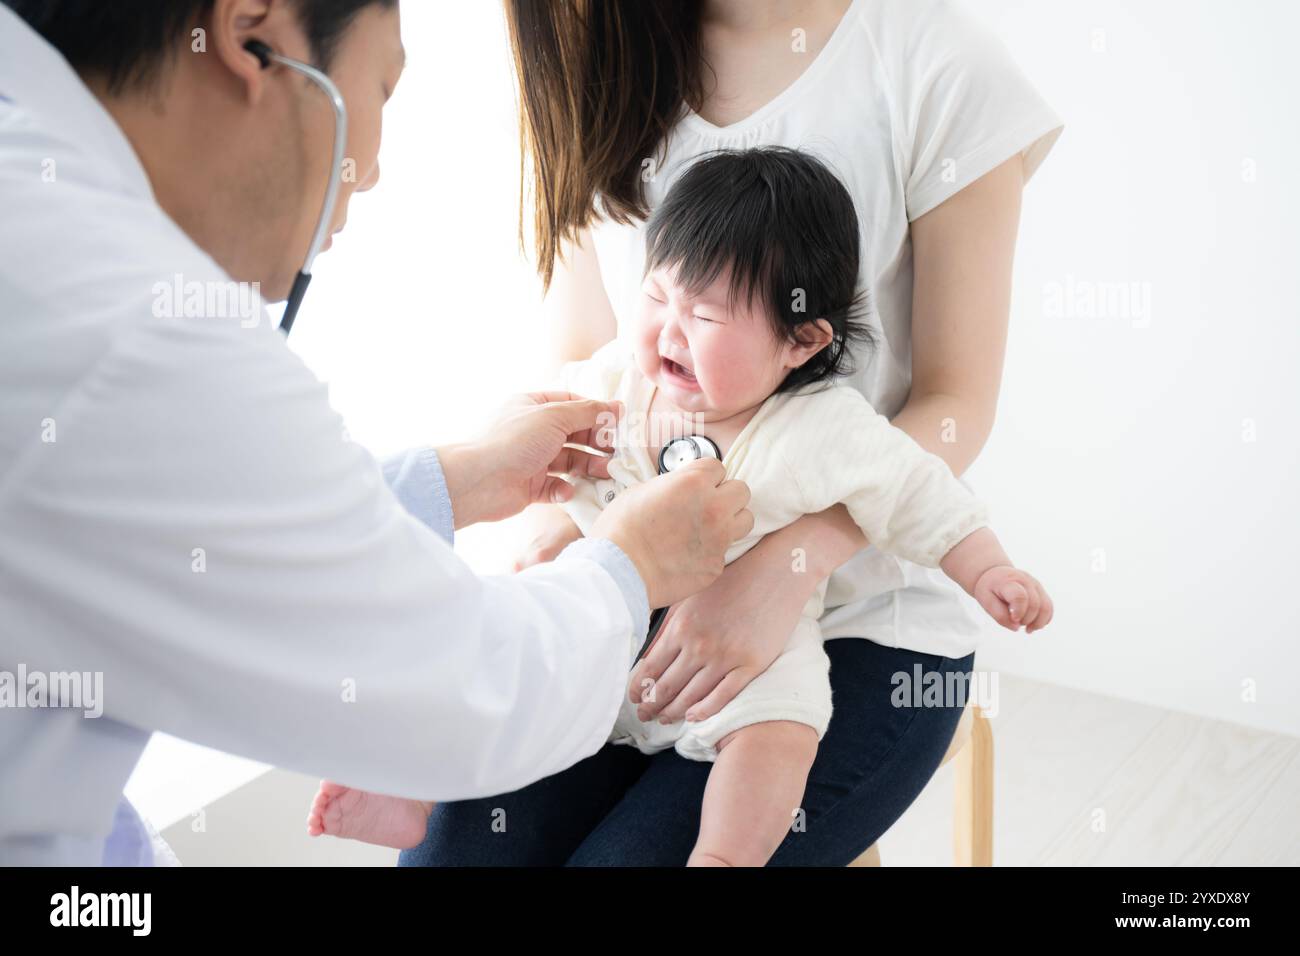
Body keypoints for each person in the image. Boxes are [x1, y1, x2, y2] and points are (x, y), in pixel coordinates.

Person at [0, 0, 751, 866]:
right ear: (252, 35)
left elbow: (205, 528)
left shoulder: (54, 234)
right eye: (384, 89)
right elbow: (469, 689)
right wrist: (629, 564)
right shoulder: (129, 334)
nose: (374, 170)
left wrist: (456, 480)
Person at [400, 0, 1065, 866]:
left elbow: (952, 406)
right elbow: (582, 357)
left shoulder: (935, 64)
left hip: (865, 621)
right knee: (454, 852)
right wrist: (558, 541)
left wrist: (784, 567)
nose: (675, 331)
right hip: (632, 595)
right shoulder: (587, 40)